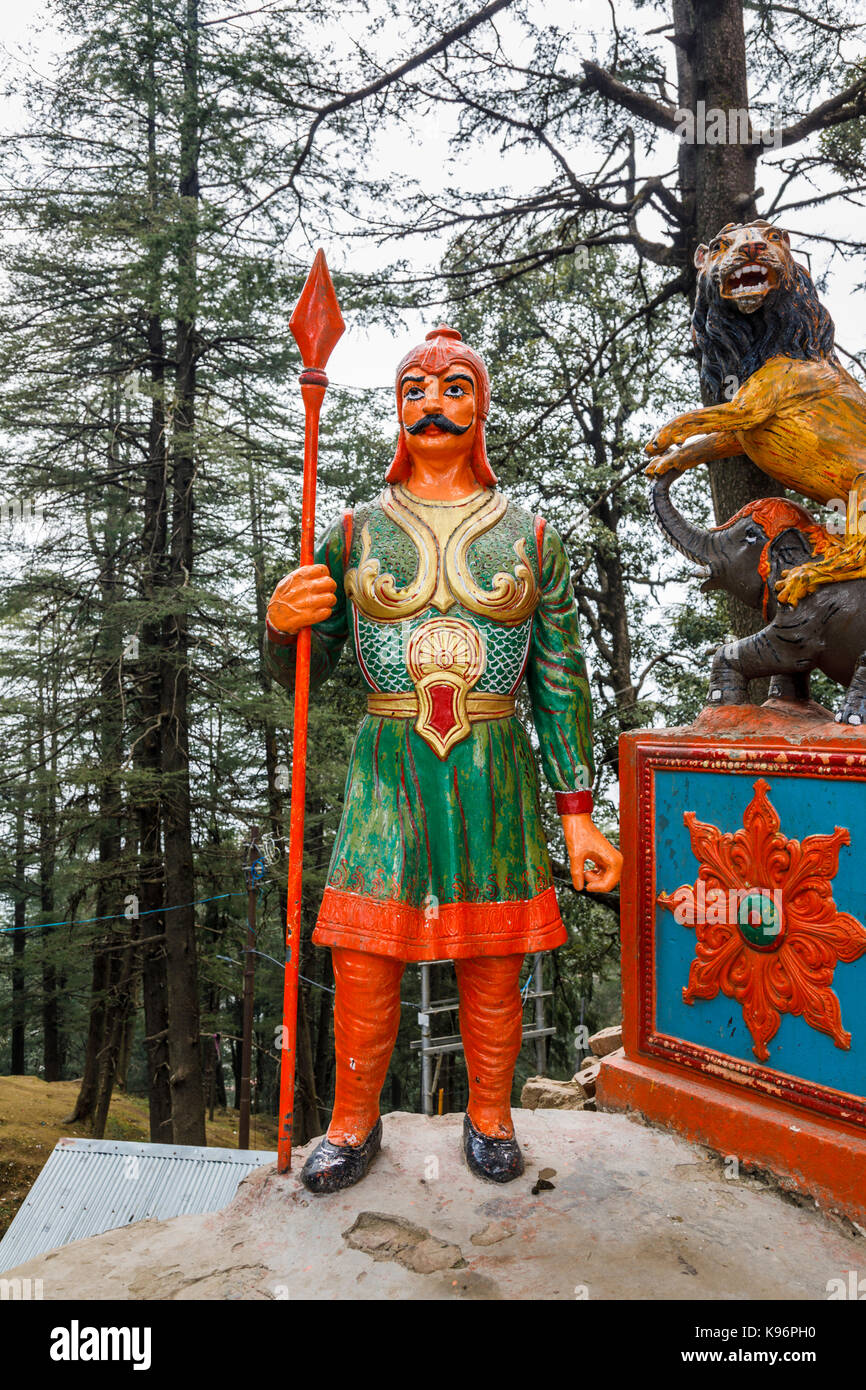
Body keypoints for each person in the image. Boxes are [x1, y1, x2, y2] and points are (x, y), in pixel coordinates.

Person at [265, 324, 622, 1192]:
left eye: (455, 386)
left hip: (492, 758)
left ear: (482, 407)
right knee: (363, 949)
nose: (433, 403)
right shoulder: (353, 531)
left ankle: (491, 1114)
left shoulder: (533, 537)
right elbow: (302, 668)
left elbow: (561, 682)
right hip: (387, 761)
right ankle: (353, 1123)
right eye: (415, 389)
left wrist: (578, 815)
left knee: (492, 952)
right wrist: (283, 622)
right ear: (396, 411)